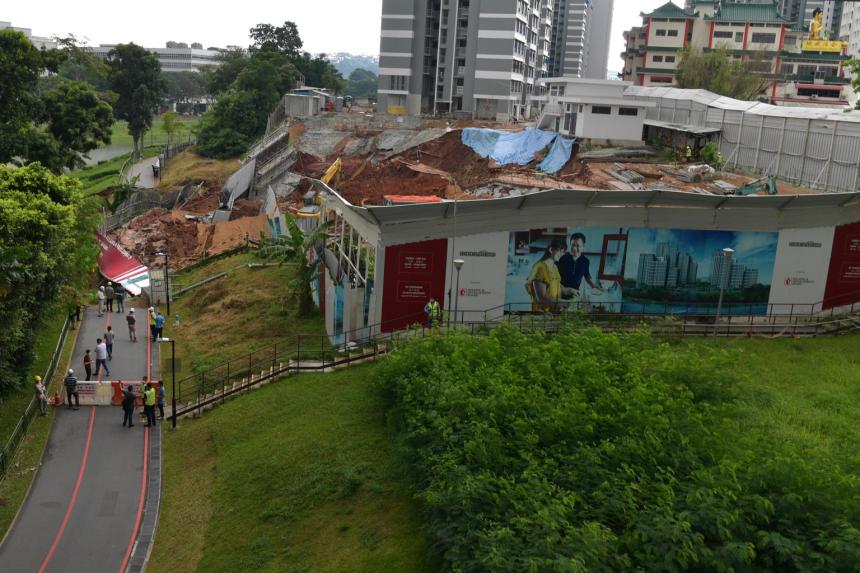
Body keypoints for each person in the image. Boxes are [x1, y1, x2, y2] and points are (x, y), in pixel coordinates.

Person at [526, 238, 575, 313]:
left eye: (563, 252)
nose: (561, 255)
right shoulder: (540, 267)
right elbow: (542, 298)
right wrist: (565, 303)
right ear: (551, 250)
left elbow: (560, 287)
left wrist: (571, 290)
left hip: (554, 311)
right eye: (559, 251)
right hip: (542, 314)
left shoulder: (554, 266)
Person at [557, 233, 603, 308]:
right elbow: (554, 279)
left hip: (575, 295)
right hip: (560, 294)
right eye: (572, 245)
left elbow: (587, 276)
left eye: (578, 246)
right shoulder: (562, 259)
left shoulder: (585, 261)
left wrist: (594, 286)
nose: (574, 248)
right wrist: (564, 290)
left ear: (583, 247)